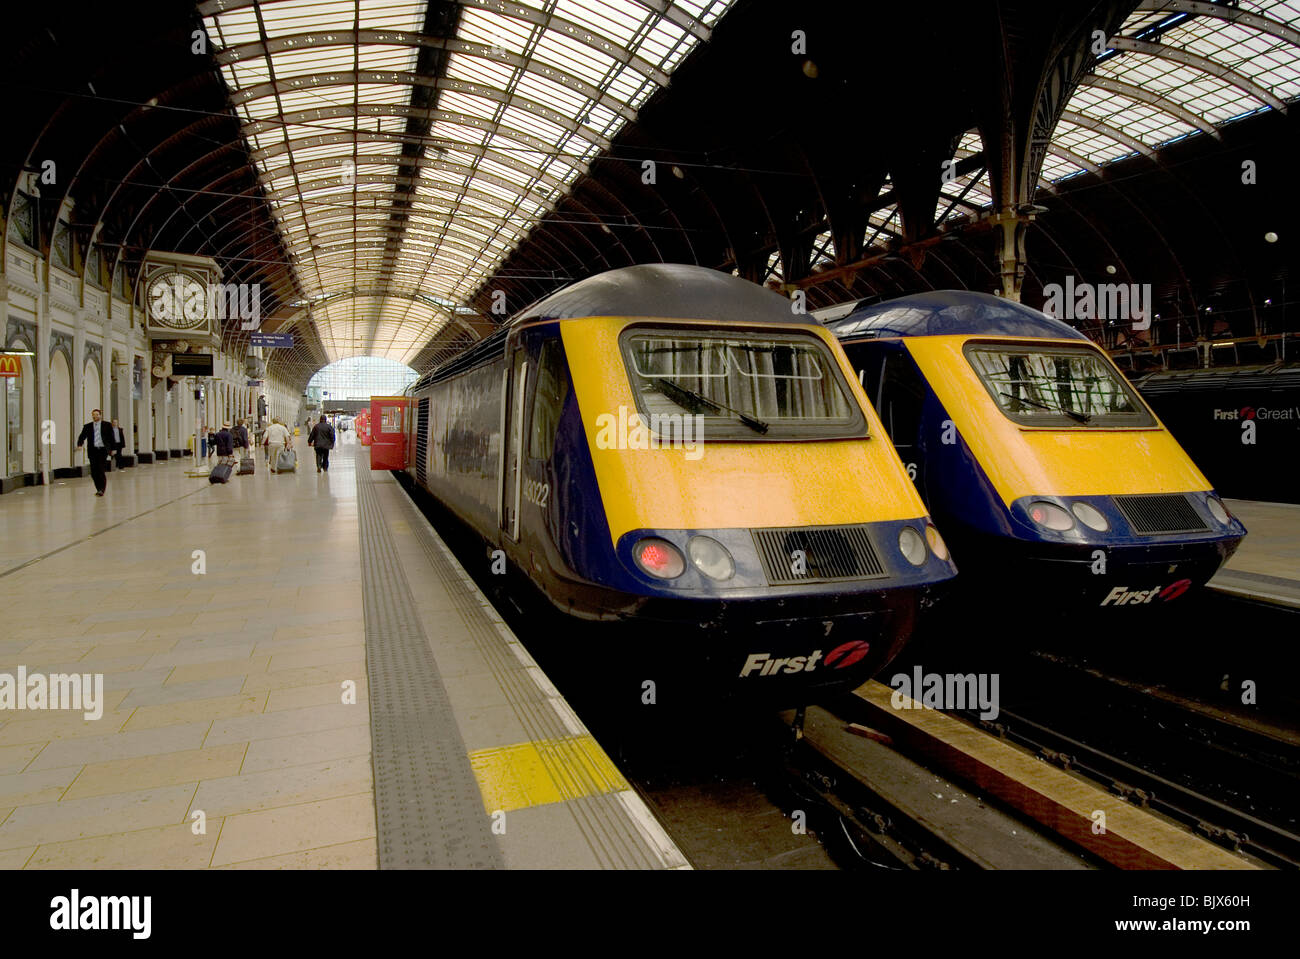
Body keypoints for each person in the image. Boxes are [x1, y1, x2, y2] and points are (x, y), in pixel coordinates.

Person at [75, 409, 113, 496]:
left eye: (97, 414)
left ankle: (101, 489)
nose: (95, 416)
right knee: (93, 471)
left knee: (100, 469)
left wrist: (113, 449)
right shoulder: (87, 426)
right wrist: (80, 444)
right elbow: (82, 436)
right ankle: (98, 488)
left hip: (102, 450)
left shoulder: (107, 425)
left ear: (100, 415)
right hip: (92, 451)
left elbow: (111, 438)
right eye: (93, 415)